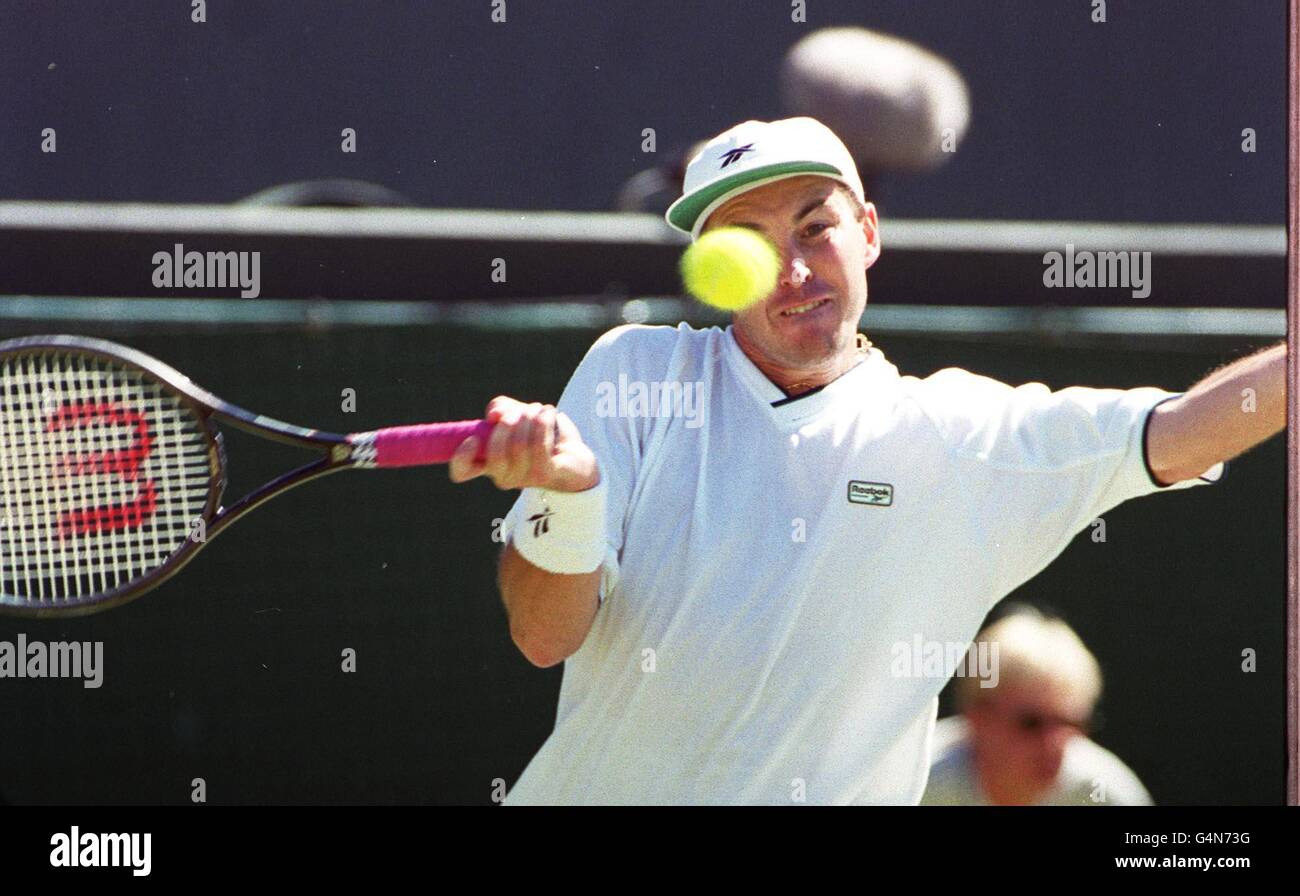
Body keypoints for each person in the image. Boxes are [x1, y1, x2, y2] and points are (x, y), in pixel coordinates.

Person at [448, 117, 1286, 805]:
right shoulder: (636, 373)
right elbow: (542, 634)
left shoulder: (962, 434)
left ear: (870, 232)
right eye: (748, 245)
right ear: (714, 273)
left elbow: (1181, 430)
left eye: (816, 228)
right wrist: (572, 499)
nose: (795, 270)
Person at [922, 611, 1153, 806]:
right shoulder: (912, 783)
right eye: (1031, 723)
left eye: (1071, 723)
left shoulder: (1106, 792)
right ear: (977, 716)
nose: (1053, 743)